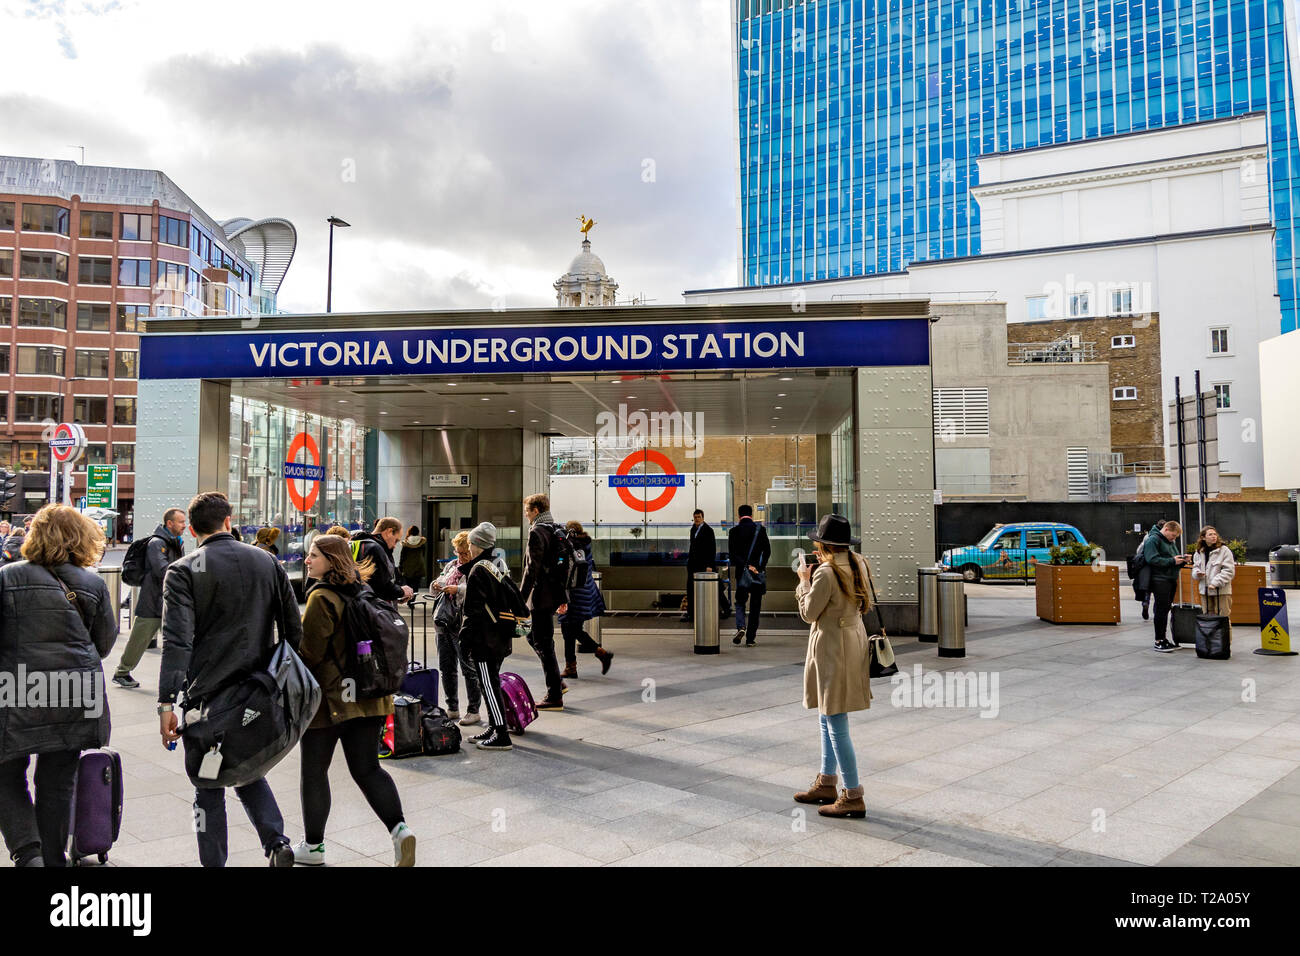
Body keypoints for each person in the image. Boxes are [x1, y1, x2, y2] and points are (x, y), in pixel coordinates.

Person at [157, 491, 302, 867]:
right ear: (229, 521)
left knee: (208, 784)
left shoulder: (184, 570)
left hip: (208, 697)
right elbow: (292, 629)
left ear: (190, 529)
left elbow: (177, 641)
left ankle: (214, 862)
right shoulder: (267, 562)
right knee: (245, 766)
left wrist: (165, 703)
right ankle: (276, 841)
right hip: (258, 690)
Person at [0, 505, 117, 866]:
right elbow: (104, 643)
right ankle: (53, 858)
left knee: (6, 774)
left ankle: (27, 850)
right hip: (75, 693)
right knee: (57, 783)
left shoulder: (7, 577)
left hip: (18, 689)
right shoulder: (93, 583)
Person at [294, 534, 416, 867]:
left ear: (331, 560)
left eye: (314, 555)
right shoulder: (364, 591)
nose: (307, 560)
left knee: (315, 771)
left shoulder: (321, 597)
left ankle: (314, 847)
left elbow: (311, 654)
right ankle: (400, 830)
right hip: (371, 696)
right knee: (368, 769)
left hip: (331, 701)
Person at [792, 514, 872, 820]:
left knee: (836, 722)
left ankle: (852, 795)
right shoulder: (858, 563)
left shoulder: (825, 573)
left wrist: (803, 582)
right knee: (828, 714)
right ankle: (826, 782)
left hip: (833, 648)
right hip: (852, 641)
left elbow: (809, 613)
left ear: (824, 545)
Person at [112, 507, 186, 689]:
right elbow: (163, 570)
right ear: (170, 523)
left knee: (181, 639)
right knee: (139, 639)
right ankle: (121, 672)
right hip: (152, 600)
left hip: (169, 600)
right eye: (181, 522)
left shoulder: (176, 542)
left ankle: (184, 677)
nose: (185, 525)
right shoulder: (157, 543)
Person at [459, 522, 516, 752]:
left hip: (485, 638)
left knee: (489, 684)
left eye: (471, 542)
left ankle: (501, 734)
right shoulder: (497, 564)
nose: (469, 546)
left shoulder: (479, 569)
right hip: (500, 634)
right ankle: (494, 727)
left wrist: (464, 639)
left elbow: (472, 610)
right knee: (488, 681)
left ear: (478, 544)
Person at [520, 494, 569, 711]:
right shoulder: (555, 529)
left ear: (536, 510)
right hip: (550, 596)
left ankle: (554, 695)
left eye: (527, 510)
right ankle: (557, 681)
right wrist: (562, 597)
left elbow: (532, 570)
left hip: (540, 598)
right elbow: (562, 569)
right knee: (535, 637)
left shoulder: (537, 532)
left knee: (543, 643)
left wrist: (520, 601)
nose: (525, 513)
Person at [429, 531, 483, 724]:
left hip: (463, 623)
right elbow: (438, 583)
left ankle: (473, 710)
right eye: (458, 552)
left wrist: (458, 589)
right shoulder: (452, 566)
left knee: (468, 668)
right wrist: (435, 585)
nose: (461, 557)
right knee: (446, 667)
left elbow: (478, 592)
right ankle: (452, 707)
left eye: (464, 552)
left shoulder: (478, 568)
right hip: (444, 622)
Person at [559, 521, 613, 678]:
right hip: (585, 592)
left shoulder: (572, 546)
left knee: (570, 629)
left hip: (574, 595)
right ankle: (573, 666)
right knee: (571, 630)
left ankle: (598, 654)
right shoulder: (584, 544)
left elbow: (567, 571)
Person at [1141, 519, 1188, 653]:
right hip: (1160, 579)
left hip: (1169, 578)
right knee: (1161, 610)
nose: (1174, 538)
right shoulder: (1153, 540)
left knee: (1165, 609)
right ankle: (1159, 640)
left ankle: (1163, 639)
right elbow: (1152, 559)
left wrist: (1182, 560)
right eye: (1173, 535)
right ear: (1166, 529)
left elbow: (1172, 559)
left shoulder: (1168, 541)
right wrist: (1172, 561)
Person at [727, 504, 770, 646]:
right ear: (751, 515)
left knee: (740, 602)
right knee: (755, 606)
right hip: (757, 574)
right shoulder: (761, 530)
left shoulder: (733, 531)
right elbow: (767, 551)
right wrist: (758, 567)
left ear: (739, 515)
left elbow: (733, 556)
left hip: (742, 574)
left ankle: (741, 627)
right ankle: (751, 639)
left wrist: (745, 566)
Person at [351, 518, 413, 606]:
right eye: (396, 540)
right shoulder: (375, 549)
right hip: (373, 609)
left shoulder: (357, 543)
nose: (394, 546)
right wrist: (402, 591)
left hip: (358, 605)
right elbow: (381, 586)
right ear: (389, 531)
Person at [1192, 525, 1236, 618]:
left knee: (1223, 618)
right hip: (1205, 590)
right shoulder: (1199, 551)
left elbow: (1229, 571)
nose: (1213, 536)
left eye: (1215, 534)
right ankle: (1209, 633)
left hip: (1221, 591)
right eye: (1210, 534)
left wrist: (1215, 583)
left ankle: (1225, 633)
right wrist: (1197, 573)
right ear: (1203, 537)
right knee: (1207, 618)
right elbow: (1195, 567)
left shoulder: (1224, 550)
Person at [682, 508, 716, 623]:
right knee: (690, 589)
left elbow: (712, 549)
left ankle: (723, 609)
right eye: (695, 517)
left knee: (707, 589)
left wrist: (709, 564)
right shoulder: (693, 529)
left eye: (699, 517)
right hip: (693, 564)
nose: (696, 519)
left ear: (703, 518)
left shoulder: (708, 530)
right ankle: (691, 614)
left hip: (704, 565)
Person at [1129, 519, 1165, 620]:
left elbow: (1139, 550)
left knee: (1147, 589)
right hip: (1159, 566)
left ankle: (1145, 603)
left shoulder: (1148, 536)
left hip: (1147, 566)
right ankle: (1156, 611)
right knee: (1158, 590)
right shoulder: (1164, 537)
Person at [396, 525, 428, 592]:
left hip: (408, 567)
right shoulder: (421, 542)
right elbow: (424, 554)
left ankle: (409, 598)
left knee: (408, 584)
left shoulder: (406, 543)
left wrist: (400, 566)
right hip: (419, 566)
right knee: (416, 585)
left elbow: (403, 556)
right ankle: (413, 599)